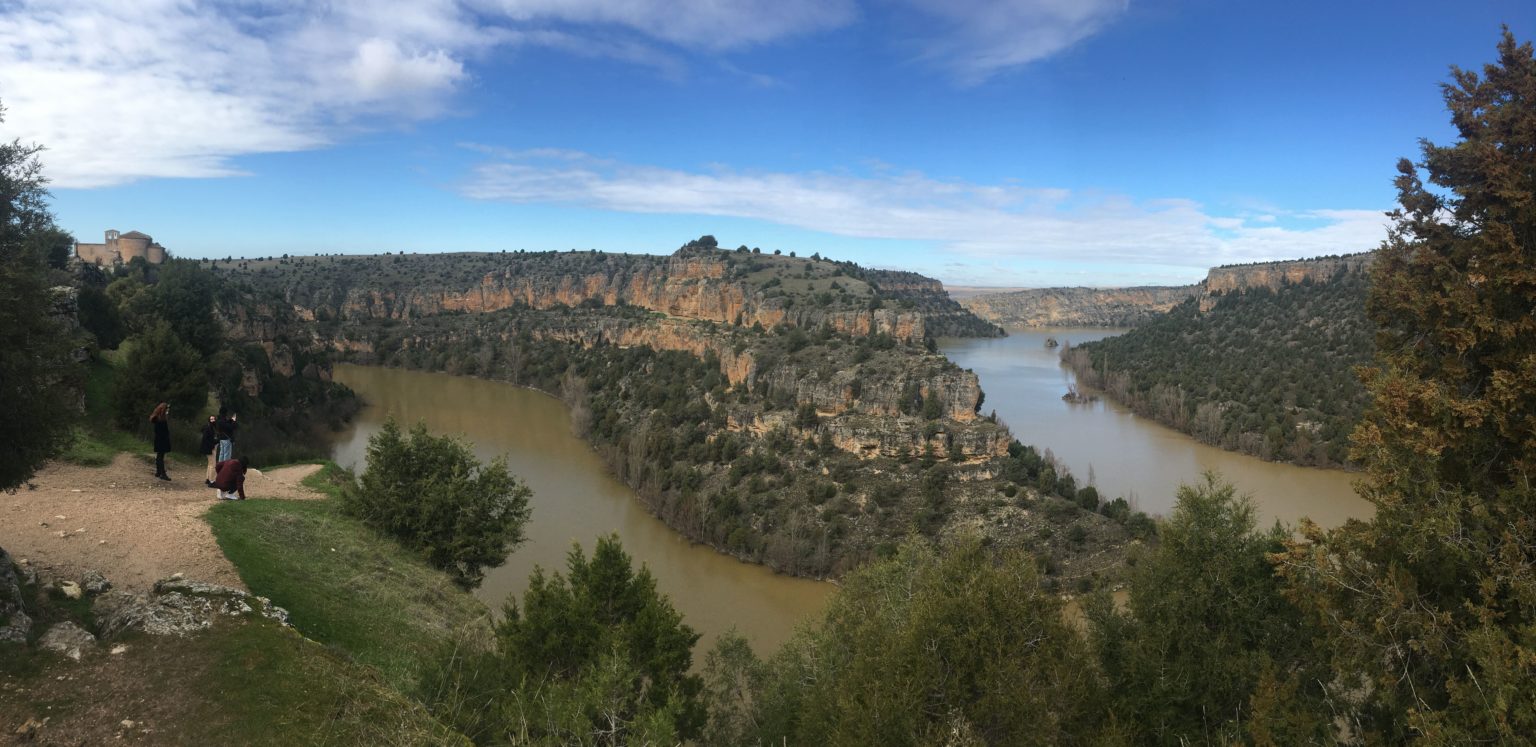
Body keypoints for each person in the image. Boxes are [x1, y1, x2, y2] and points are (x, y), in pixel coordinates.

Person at [149, 402, 172, 481]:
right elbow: (163, 431)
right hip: (162, 440)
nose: (167, 411)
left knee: (159, 456)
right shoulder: (161, 420)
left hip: (159, 439)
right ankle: (162, 473)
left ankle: (158, 472)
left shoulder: (157, 418)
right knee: (160, 457)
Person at [200, 414, 218, 483]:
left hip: (210, 447)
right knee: (213, 465)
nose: (212, 420)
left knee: (210, 464)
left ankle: (208, 479)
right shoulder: (208, 428)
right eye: (211, 419)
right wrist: (215, 441)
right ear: (209, 420)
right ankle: (212, 481)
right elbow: (207, 439)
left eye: (213, 419)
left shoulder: (212, 428)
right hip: (210, 448)